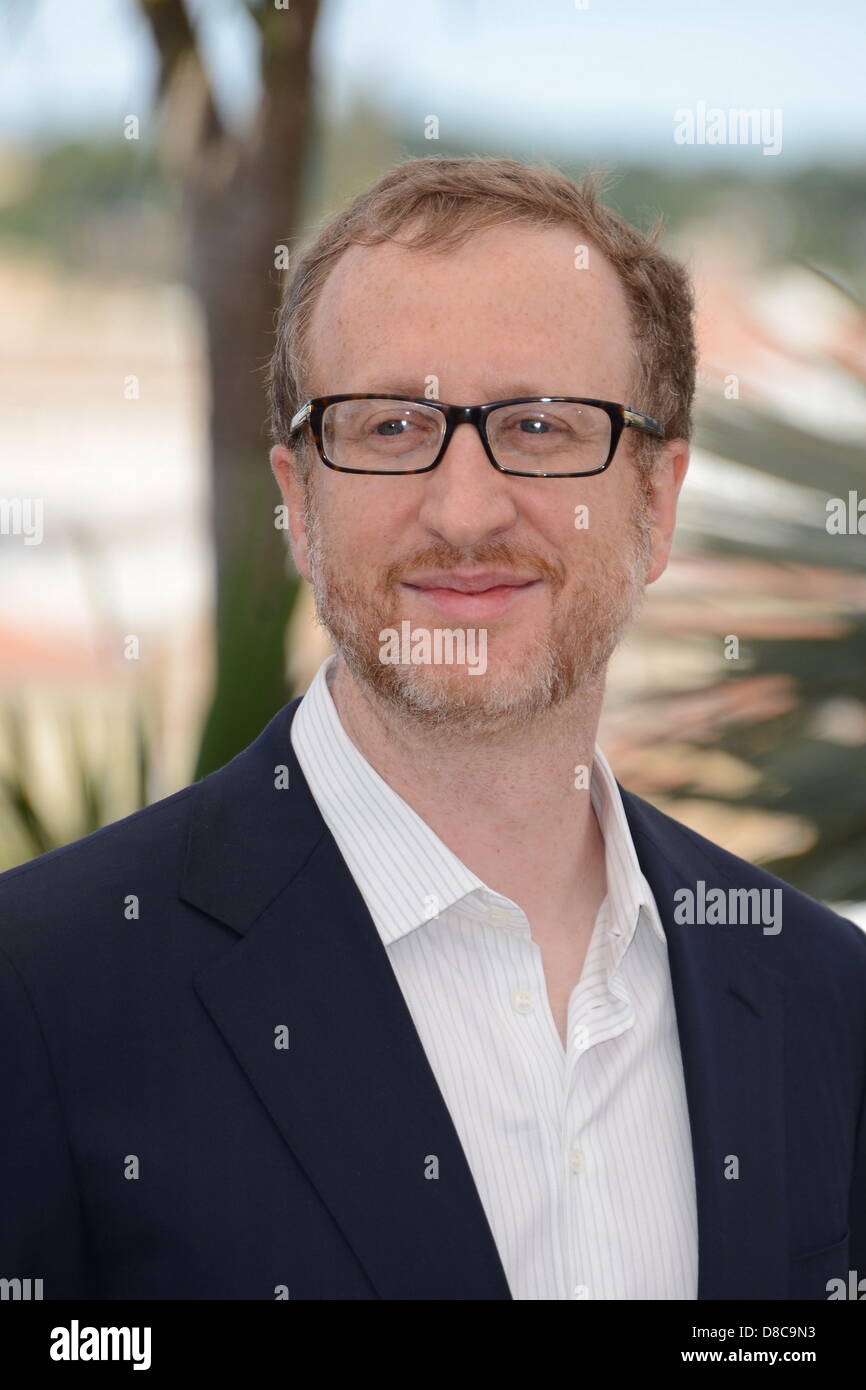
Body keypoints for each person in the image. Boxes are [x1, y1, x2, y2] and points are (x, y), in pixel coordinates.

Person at [1, 157, 863, 1302]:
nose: (463, 509)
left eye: (544, 425)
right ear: (299, 504)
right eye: (391, 424)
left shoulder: (824, 997)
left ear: (655, 504)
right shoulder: (41, 987)